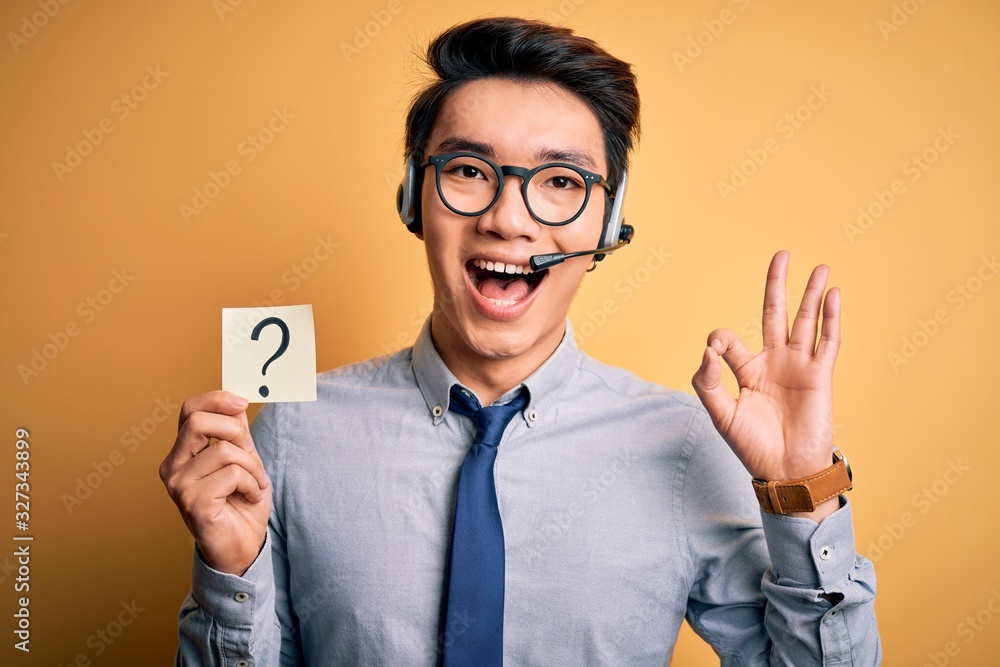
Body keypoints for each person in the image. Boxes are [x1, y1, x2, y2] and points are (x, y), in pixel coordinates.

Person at [160, 17, 880, 666]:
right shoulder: (292, 434)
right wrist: (231, 570)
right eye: (469, 171)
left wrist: (803, 495)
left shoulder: (686, 446)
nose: (509, 219)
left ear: (607, 223)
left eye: (560, 181)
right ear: (415, 195)